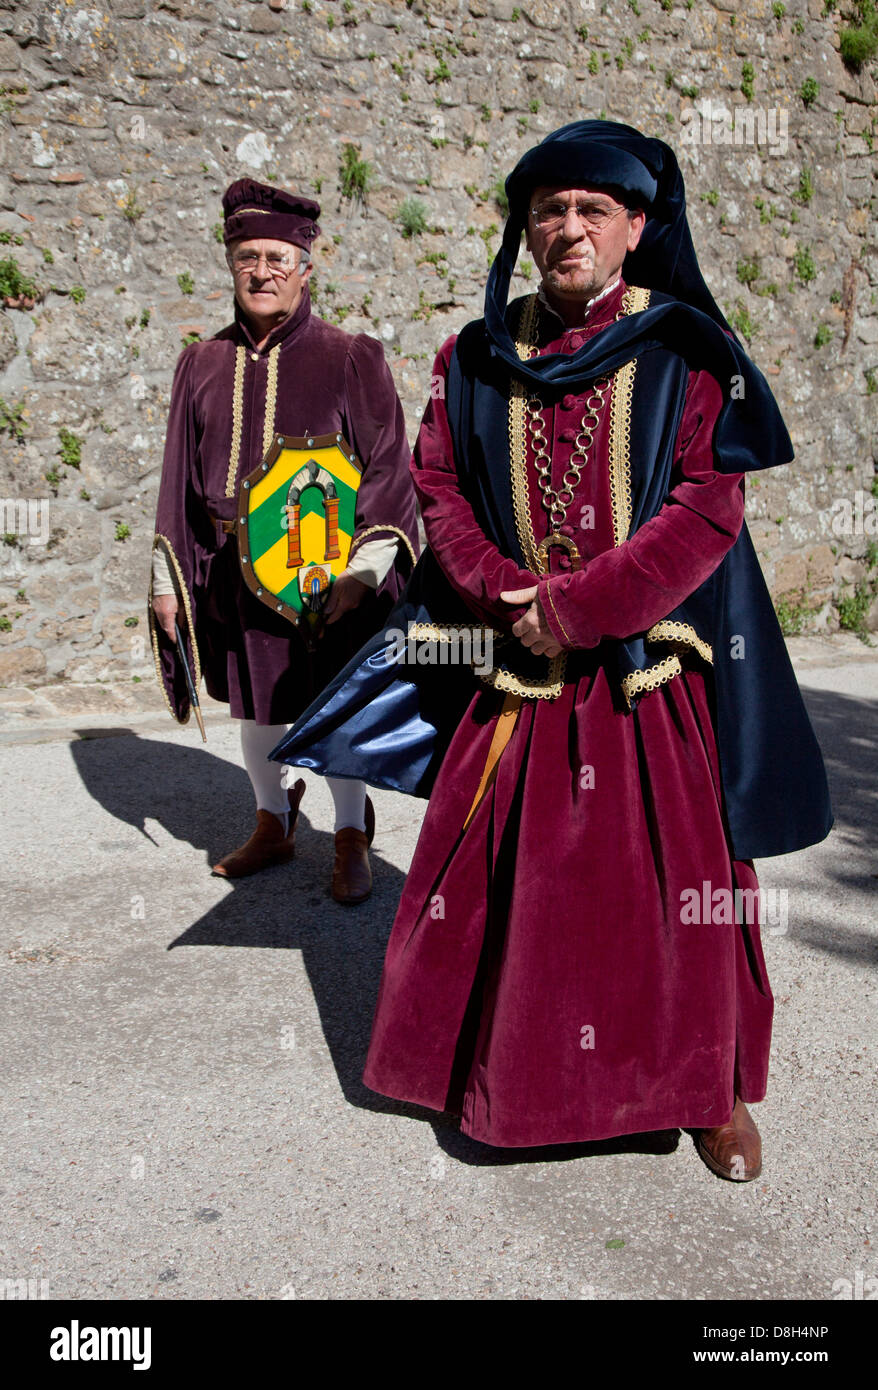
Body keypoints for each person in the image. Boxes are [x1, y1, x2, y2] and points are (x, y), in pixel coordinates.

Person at [270, 122, 832, 1177]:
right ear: (524, 231)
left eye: (589, 212)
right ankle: (508, 1083)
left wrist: (579, 609)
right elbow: (435, 486)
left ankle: (702, 1093)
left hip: (641, 677)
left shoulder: (682, 352)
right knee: (513, 893)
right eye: (547, 213)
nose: (566, 229)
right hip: (514, 666)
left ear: (634, 228)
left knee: (674, 897)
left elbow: (706, 507)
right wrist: (500, 593)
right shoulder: (475, 355)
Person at [149, 179, 418, 904]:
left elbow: (390, 469)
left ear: (306, 267)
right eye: (246, 257)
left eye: (275, 257)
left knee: (335, 708)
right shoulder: (199, 364)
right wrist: (165, 577)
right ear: (230, 264)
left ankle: (352, 834)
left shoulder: (351, 355)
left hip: (331, 577)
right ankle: (273, 821)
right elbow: (177, 475)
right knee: (257, 708)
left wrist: (364, 573)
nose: (260, 271)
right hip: (238, 575)